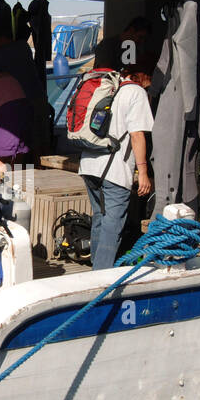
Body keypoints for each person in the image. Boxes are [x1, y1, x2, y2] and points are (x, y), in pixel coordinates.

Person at [78, 41, 154, 271]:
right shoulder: (136, 92)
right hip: (114, 169)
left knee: (100, 217)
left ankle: (94, 268)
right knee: (114, 222)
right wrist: (143, 172)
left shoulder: (108, 85)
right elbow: (137, 135)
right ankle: (101, 276)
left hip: (88, 164)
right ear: (141, 72)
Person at [0, 10, 49, 156]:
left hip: (21, 106)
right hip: (38, 99)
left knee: (23, 150)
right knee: (40, 147)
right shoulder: (23, 47)